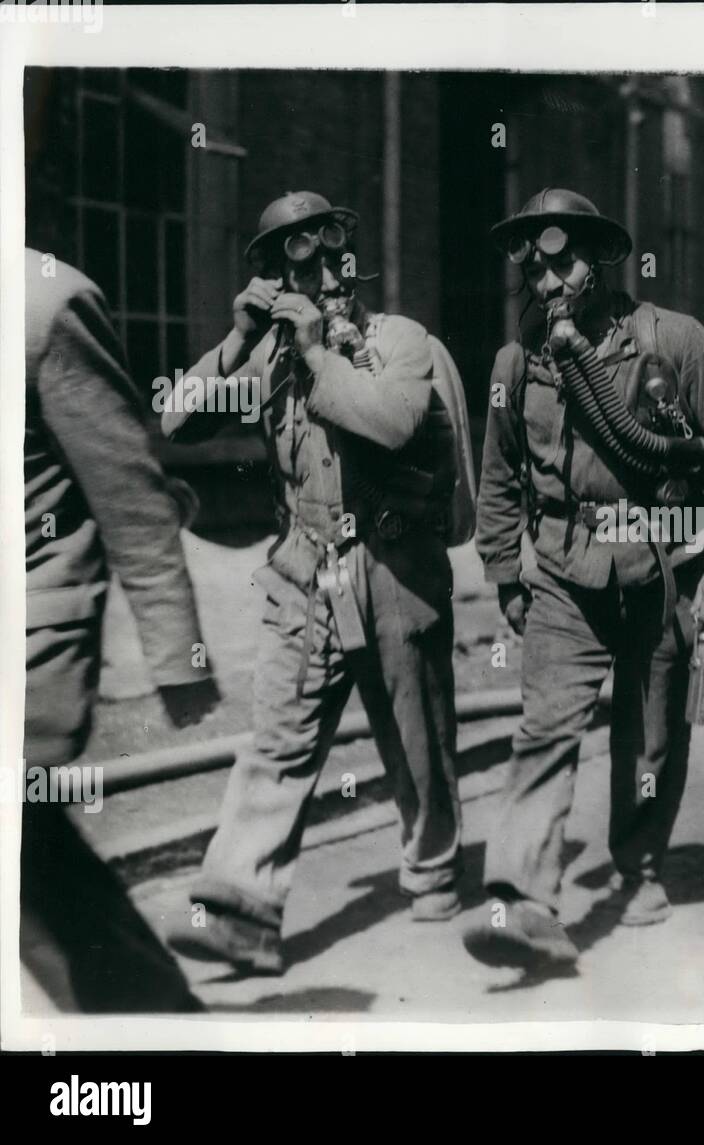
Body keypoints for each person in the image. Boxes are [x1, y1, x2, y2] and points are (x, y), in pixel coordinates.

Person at [163, 192, 469, 975]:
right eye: (305, 258)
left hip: (395, 571)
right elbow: (177, 420)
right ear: (276, 274)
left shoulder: (402, 341)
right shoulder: (265, 359)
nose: (332, 269)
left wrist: (321, 351)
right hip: (306, 575)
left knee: (418, 742)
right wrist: (238, 337)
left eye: (338, 252)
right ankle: (240, 909)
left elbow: (395, 421)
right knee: (278, 741)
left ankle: (433, 872)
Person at [464, 188, 704, 970]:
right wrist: (505, 570)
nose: (547, 279)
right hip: (565, 572)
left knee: (652, 737)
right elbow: (499, 475)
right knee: (543, 731)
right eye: (532, 262)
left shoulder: (676, 342)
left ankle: (637, 868)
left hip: (662, 566)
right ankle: (520, 897)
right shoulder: (517, 363)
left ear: (599, 258)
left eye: (562, 257)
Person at [22, 248, 217, 1011]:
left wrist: (180, 661)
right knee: (44, 884)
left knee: (40, 887)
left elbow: (133, 505)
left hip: (25, 656)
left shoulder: (47, 305)